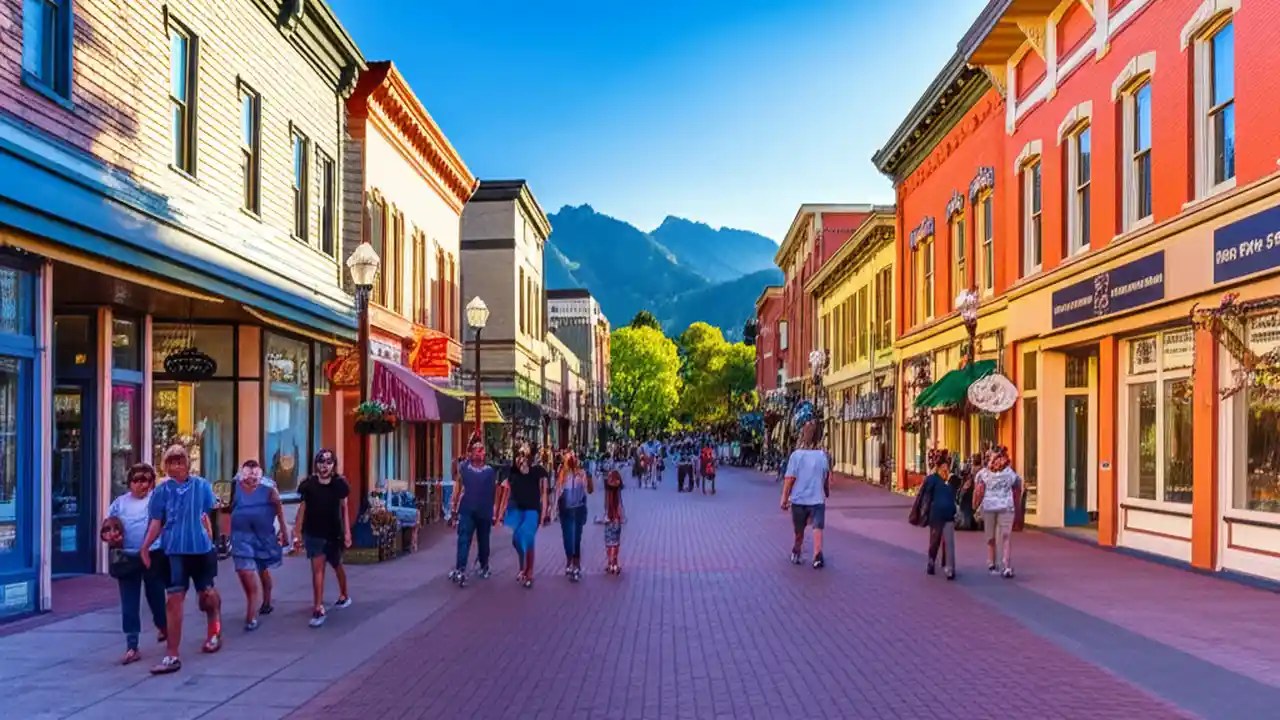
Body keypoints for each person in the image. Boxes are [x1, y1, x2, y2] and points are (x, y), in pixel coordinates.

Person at [139, 445, 221, 675]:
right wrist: (145, 546)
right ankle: (172, 654)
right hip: (174, 549)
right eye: (171, 462)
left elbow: (208, 514)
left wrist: (212, 539)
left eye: (180, 461)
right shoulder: (161, 492)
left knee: (207, 594)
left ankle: (214, 628)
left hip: (200, 548)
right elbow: (156, 521)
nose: (176, 466)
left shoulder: (201, 486)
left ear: (187, 464)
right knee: (174, 598)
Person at [102, 463, 166, 665]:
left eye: (146, 480)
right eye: (137, 480)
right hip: (127, 557)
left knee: (156, 596)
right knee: (129, 603)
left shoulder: (155, 501)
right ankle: (132, 645)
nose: (141, 485)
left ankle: (163, 625)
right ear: (129, 483)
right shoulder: (119, 503)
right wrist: (111, 536)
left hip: (153, 555)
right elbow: (107, 527)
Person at [293, 449, 352, 628]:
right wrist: (297, 531)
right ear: (315, 464)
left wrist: (347, 531)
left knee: (337, 564)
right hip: (314, 532)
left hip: (334, 532)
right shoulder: (308, 485)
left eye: (328, 462)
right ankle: (318, 606)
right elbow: (302, 508)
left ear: (334, 465)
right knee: (317, 569)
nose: (324, 465)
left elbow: (344, 508)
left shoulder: (339, 484)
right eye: (321, 461)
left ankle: (344, 594)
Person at [229, 459, 288, 631]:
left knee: (262, 567)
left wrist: (284, 531)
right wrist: (224, 534)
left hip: (263, 535)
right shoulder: (235, 487)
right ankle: (250, 615)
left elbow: (279, 507)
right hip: (241, 537)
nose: (252, 478)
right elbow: (226, 509)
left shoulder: (269, 488)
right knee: (246, 572)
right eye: (249, 474)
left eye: (256, 475)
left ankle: (267, 600)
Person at [450, 440, 500, 587]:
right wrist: (453, 507)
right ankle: (461, 568)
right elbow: (458, 487)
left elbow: (495, 491)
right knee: (464, 539)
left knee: (484, 540)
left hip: (484, 511)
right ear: (471, 454)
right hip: (467, 510)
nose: (480, 452)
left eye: (482, 450)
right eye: (477, 450)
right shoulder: (464, 469)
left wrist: (495, 510)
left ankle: (484, 565)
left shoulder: (490, 472)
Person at [780, 421, 830, 569]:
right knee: (818, 527)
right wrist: (826, 491)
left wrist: (784, 498)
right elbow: (825, 476)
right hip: (817, 499)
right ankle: (817, 555)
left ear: (802, 436)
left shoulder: (796, 456)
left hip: (799, 499)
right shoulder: (822, 456)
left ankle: (797, 550)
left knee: (799, 530)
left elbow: (789, 479)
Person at [501, 444, 547, 588]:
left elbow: (544, 493)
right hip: (518, 510)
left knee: (528, 539)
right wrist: (501, 511)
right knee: (517, 540)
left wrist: (544, 513)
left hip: (532, 510)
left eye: (525, 455)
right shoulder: (513, 472)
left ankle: (529, 572)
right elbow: (506, 492)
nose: (522, 458)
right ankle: (523, 568)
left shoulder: (538, 471)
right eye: (520, 455)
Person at [974, 448, 1021, 578]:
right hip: (989, 507)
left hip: (1006, 507)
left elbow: (1018, 483)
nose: (996, 461)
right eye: (993, 458)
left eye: (999, 458)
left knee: (1006, 535)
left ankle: (1006, 564)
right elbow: (977, 485)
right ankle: (991, 562)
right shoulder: (983, 473)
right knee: (990, 536)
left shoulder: (1009, 473)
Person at [919, 450, 958, 580]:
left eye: (947, 468)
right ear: (938, 468)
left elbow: (956, 494)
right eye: (943, 468)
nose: (945, 471)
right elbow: (925, 497)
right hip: (936, 515)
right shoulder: (932, 480)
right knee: (935, 541)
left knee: (949, 543)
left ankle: (950, 568)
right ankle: (931, 561)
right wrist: (924, 512)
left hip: (949, 515)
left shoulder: (952, 480)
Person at [556, 450, 593, 581]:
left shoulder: (581, 473)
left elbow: (589, 490)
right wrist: (555, 508)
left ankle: (576, 564)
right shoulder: (562, 474)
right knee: (567, 537)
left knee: (576, 537)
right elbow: (558, 491)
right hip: (565, 509)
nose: (571, 460)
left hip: (578, 508)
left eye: (573, 457)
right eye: (568, 458)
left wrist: (587, 478)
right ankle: (569, 560)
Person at [603, 469, 625, 574]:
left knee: (608, 542)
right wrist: (622, 517)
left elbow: (606, 507)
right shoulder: (618, 493)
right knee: (616, 543)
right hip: (616, 520)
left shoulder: (607, 494)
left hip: (608, 519)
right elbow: (620, 506)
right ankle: (615, 563)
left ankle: (609, 563)